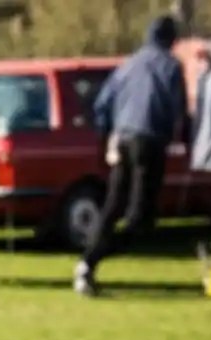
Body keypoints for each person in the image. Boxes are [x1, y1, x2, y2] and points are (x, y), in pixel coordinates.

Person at [75, 15, 187, 297]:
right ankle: (91, 260)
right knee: (140, 220)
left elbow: (102, 102)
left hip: (123, 138)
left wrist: (106, 134)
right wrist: (185, 139)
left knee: (113, 206)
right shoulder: (171, 65)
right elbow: (178, 109)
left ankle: (87, 265)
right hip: (149, 141)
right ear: (171, 39)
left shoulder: (128, 64)